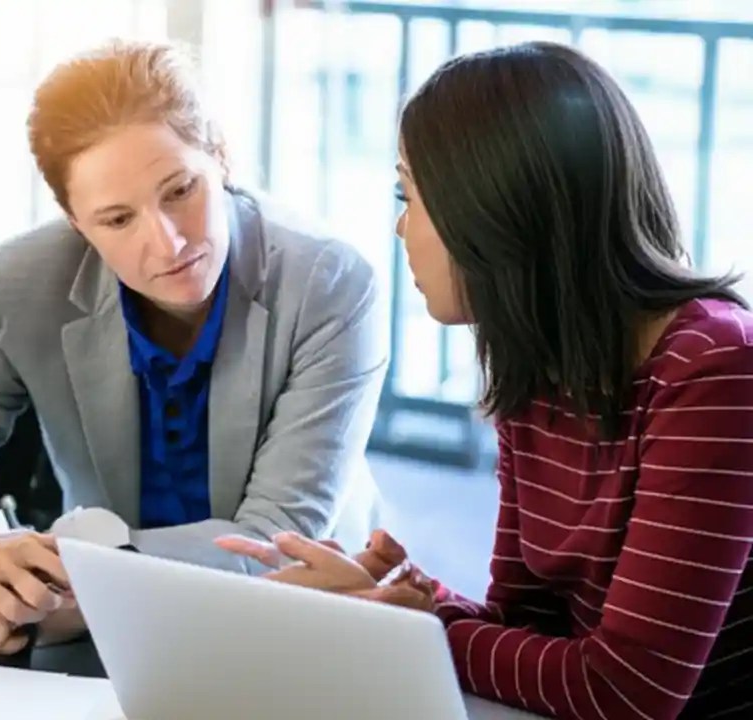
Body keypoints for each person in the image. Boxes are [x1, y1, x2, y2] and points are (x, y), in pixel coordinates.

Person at [220, 42, 752, 719]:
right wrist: (401, 595)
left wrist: (411, 620)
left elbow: (626, 690)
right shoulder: (539, 365)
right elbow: (525, 629)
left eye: (410, 196)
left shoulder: (716, 370)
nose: (399, 225)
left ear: (498, 208)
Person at [0, 40, 388, 660]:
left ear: (221, 155)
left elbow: (269, 546)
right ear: (76, 222)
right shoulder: (24, 283)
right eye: (117, 220)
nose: (168, 241)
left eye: (181, 190)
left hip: (297, 628)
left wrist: (58, 584)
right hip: (95, 632)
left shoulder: (330, 284)